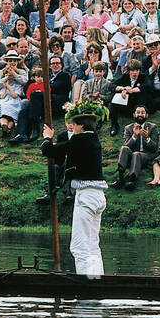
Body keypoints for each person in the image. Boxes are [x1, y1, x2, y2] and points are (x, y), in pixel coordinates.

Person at [41, 99, 110, 278]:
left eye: (74, 125)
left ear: (80, 126)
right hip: (97, 196)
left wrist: (47, 138)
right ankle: (96, 277)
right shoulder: (93, 140)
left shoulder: (81, 140)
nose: (72, 128)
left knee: (80, 246)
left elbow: (50, 151)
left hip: (87, 197)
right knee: (92, 244)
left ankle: (87, 282)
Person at [113, 103, 159, 190]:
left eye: (142, 112)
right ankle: (120, 177)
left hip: (147, 155)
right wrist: (134, 136)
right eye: (138, 112)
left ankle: (131, 180)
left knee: (136, 154)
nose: (140, 115)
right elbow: (127, 146)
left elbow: (154, 148)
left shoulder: (153, 127)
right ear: (134, 114)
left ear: (146, 115)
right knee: (124, 148)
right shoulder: (128, 128)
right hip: (133, 155)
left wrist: (147, 138)